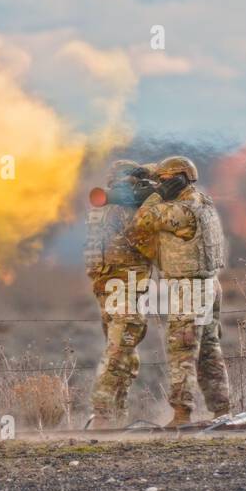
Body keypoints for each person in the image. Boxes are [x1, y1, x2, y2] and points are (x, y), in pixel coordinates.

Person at [129, 155, 231, 427]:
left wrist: (154, 196)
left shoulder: (181, 211)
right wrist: (151, 177)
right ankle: (222, 411)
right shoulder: (202, 201)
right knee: (209, 350)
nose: (160, 185)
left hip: (190, 288)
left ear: (178, 180)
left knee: (182, 350)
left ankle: (181, 414)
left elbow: (142, 220)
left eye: (165, 181)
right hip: (208, 284)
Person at [84, 160, 156, 426]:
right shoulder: (124, 210)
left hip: (106, 285)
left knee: (124, 349)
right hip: (123, 286)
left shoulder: (100, 209)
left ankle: (117, 415)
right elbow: (148, 246)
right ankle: (102, 413)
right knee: (119, 348)